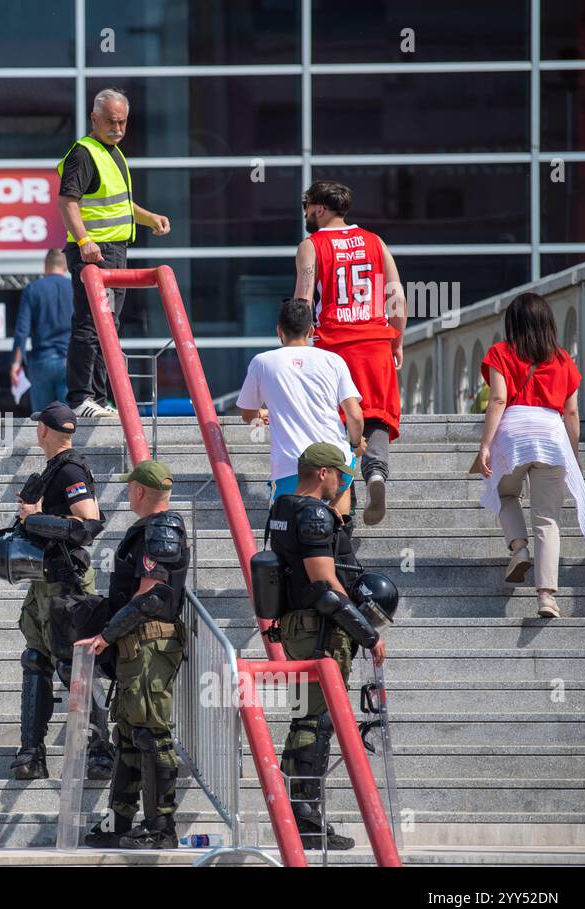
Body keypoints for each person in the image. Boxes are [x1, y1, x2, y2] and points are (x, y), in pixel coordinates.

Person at [267, 443, 387, 850]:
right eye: (340, 475)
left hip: (296, 625)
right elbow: (324, 584)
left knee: (305, 719)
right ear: (322, 473)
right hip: (319, 628)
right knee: (315, 723)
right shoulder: (315, 514)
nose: (342, 482)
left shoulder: (283, 507)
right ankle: (306, 819)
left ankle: (295, 811)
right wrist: (367, 634)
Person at [79, 461, 188, 849]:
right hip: (135, 642)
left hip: (149, 641)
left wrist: (106, 636)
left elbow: (151, 594)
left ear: (140, 491)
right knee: (128, 734)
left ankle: (161, 828)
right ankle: (119, 823)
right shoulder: (149, 529)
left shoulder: (161, 528)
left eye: (131, 489)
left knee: (150, 733)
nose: (128, 495)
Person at [477, 292, 585, 618]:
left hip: (514, 434)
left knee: (504, 493)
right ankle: (546, 597)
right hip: (552, 436)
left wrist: (485, 445)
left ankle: (519, 547)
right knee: (547, 518)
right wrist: (572, 454)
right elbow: (572, 413)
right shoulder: (563, 359)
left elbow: (499, 400)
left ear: (512, 323)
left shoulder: (500, 352)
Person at [11, 401, 113, 781]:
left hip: (66, 581)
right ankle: (31, 752)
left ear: (42, 431)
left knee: (73, 666)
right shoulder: (52, 470)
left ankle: (101, 751)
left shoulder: (70, 469)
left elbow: (88, 523)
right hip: (43, 580)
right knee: (35, 660)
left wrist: (36, 519)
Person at [294, 180, 406, 526]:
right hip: (374, 342)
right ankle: (376, 474)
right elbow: (397, 298)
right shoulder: (376, 242)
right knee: (375, 417)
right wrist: (396, 340)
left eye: (307, 208)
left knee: (333, 419)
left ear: (320, 209)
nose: (306, 215)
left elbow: (303, 299)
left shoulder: (311, 245)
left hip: (334, 345)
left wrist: (297, 343)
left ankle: (344, 498)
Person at [57, 88, 170, 419]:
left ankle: (99, 397)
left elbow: (121, 204)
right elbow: (68, 200)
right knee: (92, 324)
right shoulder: (84, 153)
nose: (117, 128)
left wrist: (149, 219)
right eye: (110, 122)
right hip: (95, 252)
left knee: (108, 324)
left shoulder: (114, 154)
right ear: (94, 118)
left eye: (122, 122)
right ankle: (81, 396)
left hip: (114, 250)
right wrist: (83, 241)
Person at [237, 298, 366, 513]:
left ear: (279, 330)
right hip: (335, 461)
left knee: (288, 532)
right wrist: (355, 445)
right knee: (338, 528)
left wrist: (262, 413)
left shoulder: (262, 362)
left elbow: (248, 414)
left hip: (290, 467)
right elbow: (354, 415)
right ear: (311, 330)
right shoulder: (333, 360)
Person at [11, 249, 73, 412]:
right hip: (70, 361)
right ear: (66, 267)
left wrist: (17, 362)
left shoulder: (33, 289)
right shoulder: (75, 288)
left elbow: (22, 330)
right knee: (69, 417)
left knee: (42, 419)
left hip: (41, 361)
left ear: (45, 265)